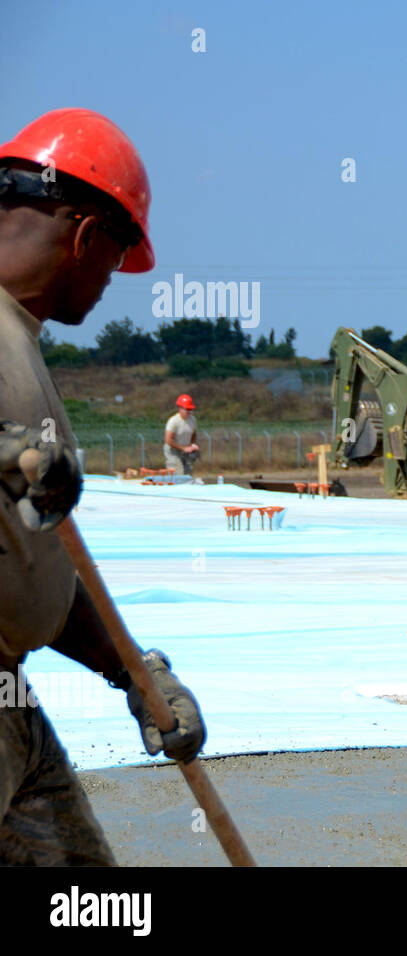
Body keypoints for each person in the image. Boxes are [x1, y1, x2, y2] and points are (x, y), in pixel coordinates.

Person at [0, 108, 206, 864]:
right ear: (86, 234)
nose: (113, 280)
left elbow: (38, 563)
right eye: (118, 259)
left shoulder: (21, 347)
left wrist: (129, 671)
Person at [164, 393, 199, 475]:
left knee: (188, 473)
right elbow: (168, 440)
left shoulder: (192, 420)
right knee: (178, 472)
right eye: (186, 409)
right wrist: (183, 448)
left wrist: (193, 444)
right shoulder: (173, 421)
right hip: (173, 450)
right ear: (180, 408)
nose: (188, 412)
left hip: (185, 449)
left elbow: (194, 433)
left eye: (190, 409)